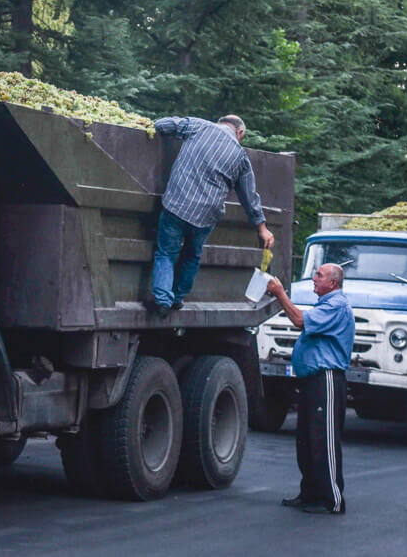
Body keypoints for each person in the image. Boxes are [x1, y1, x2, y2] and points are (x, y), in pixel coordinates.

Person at [148, 114, 274, 317]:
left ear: (220, 122)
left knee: (166, 253)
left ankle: (163, 301)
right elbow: (249, 197)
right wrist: (262, 228)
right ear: (239, 132)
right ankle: (177, 298)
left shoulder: (199, 126)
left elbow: (163, 125)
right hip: (206, 216)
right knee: (192, 256)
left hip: (177, 204)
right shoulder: (241, 157)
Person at [266, 263, 355, 515]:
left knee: (322, 440)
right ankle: (310, 493)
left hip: (326, 379)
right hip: (312, 380)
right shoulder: (325, 304)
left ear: (333, 283)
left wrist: (281, 294)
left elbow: (299, 320)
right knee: (306, 440)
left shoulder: (336, 305)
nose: (314, 278)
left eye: (319, 275)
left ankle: (332, 499)